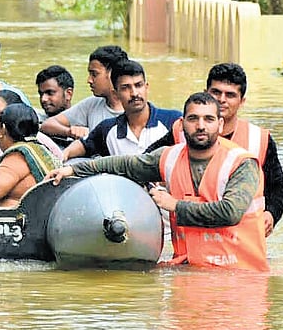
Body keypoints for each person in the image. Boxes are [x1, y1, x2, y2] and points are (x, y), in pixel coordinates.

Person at [45, 92, 269, 272]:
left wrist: (175, 206)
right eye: (193, 119)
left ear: (220, 125)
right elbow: (124, 165)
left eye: (208, 119)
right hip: (189, 271)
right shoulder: (169, 157)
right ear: (181, 125)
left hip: (241, 274)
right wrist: (73, 168)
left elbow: (230, 212)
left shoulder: (241, 163)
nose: (201, 126)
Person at [145, 63, 283, 236]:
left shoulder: (259, 139)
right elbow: (147, 164)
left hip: (241, 243)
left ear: (242, 101)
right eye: (216, 92)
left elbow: (277, 186)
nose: (222, 99)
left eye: (230, 95)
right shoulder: (181, 131)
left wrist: (271, 213)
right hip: (191, 241)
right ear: (206, 93)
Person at [62, 58, 181, 161]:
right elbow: (83, 145)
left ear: (146, 87)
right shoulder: (107, 130)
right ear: (116, 94)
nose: (134, 93)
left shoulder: (173, 121)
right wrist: (63, 155)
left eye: (138, 85)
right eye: (126, 88)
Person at [41, 45, 127, 141]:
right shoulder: (91, 105)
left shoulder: (137, 110)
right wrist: (69, 131)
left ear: (112, 74)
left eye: (94, 74)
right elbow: (47, 125)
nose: (89, 80)